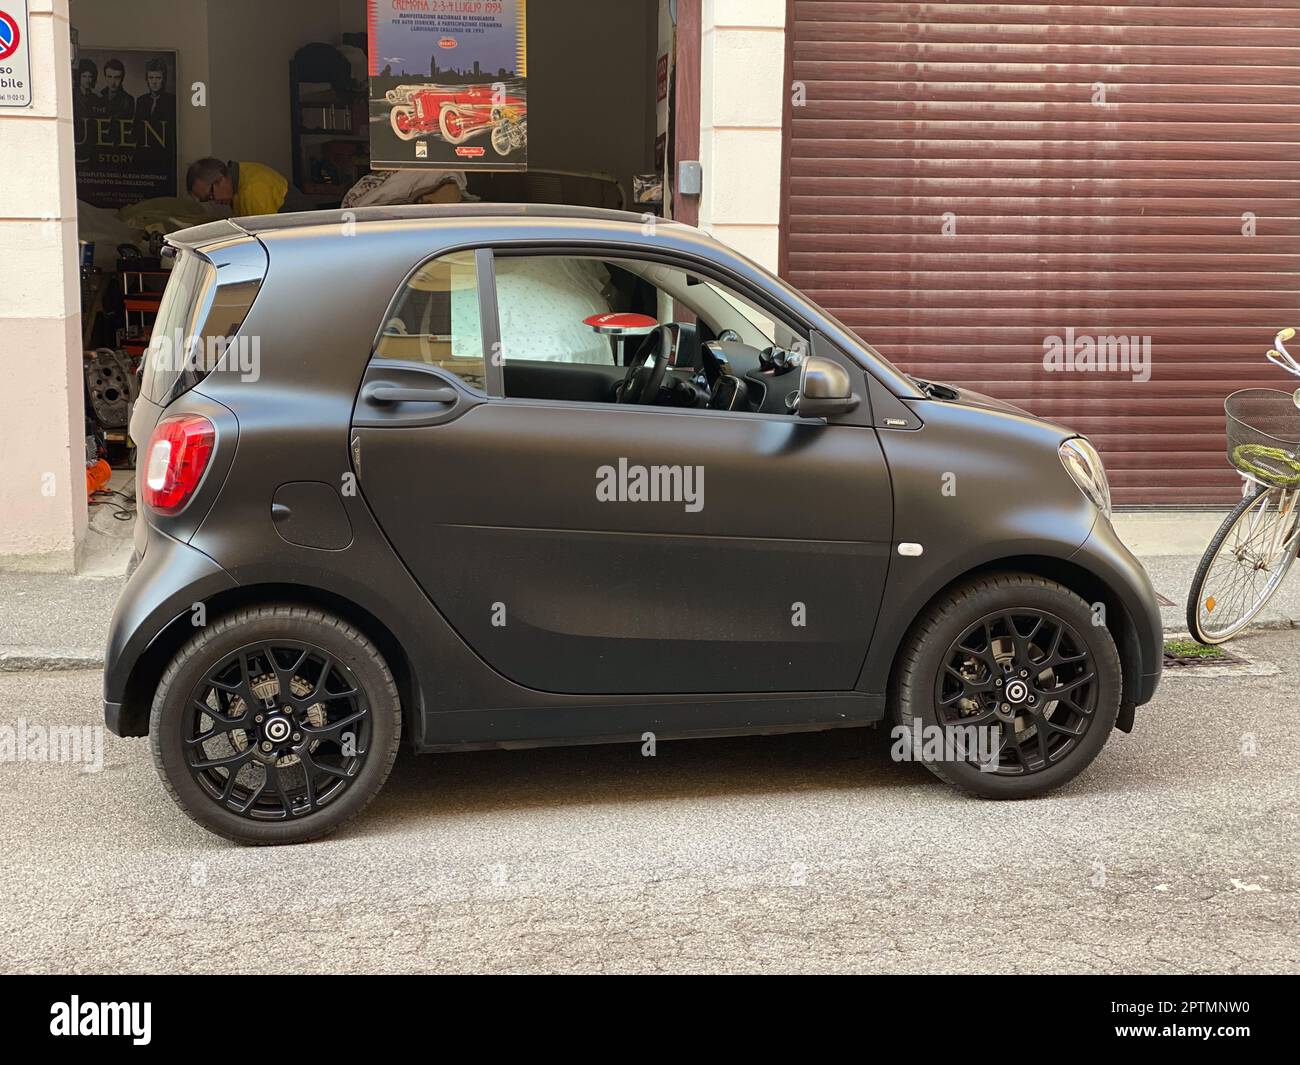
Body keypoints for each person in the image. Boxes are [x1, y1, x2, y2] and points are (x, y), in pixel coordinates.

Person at [186, 157, 309, 216]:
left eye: (211, 195)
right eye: (206, 200)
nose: (214, 202)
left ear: (220, 179)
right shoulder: (240, 176)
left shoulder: (254, 190)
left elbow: (265, 240)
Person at [134, 58, 176, 129]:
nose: (154, 82)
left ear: (164, 79)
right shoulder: (141, 100)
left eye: (158, 78)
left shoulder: (172, 100)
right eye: (151, 78)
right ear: (146, 79)